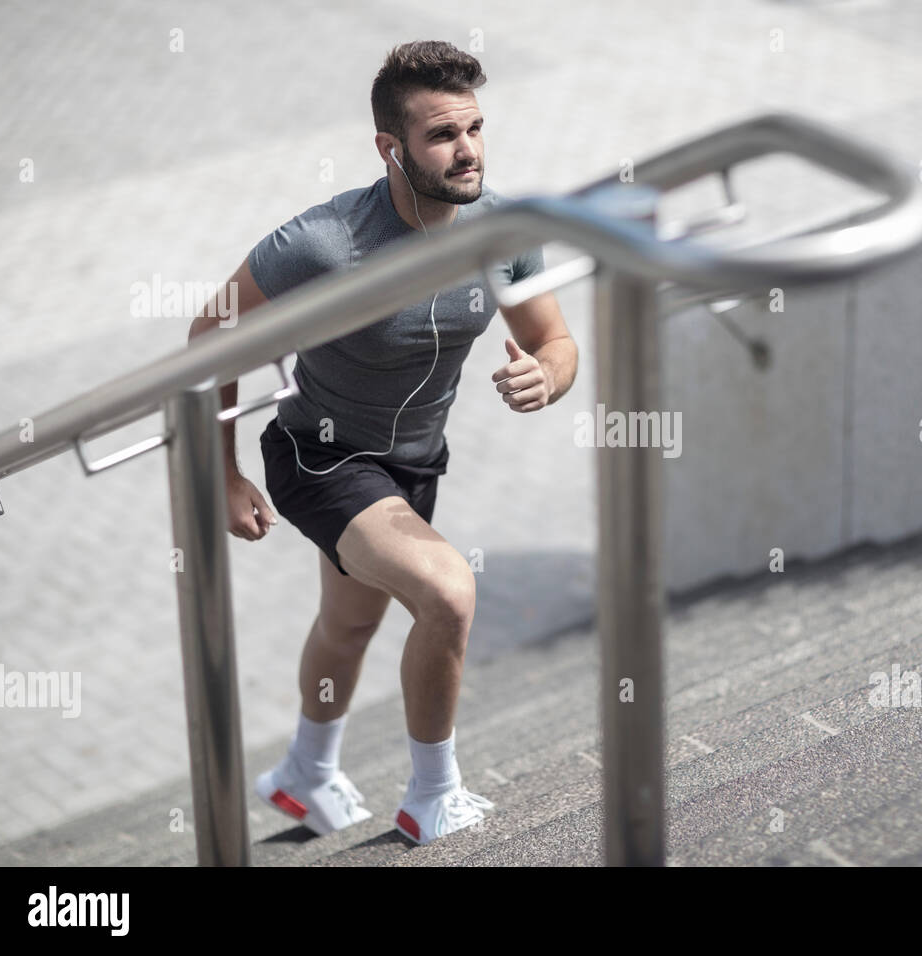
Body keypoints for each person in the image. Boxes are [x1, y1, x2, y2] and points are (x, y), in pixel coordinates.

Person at [185, 40, 577, 845]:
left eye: (474, 128)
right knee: (448, 592)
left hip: (412, 468)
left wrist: (549, 377)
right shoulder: (328, 241)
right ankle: (432, 795)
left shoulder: (502, 229)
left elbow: (555, 340)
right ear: (389, 148)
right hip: (321, 458)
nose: (467, 150)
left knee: (350, 626)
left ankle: (305, 770)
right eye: (442, 135)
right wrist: (218, 474)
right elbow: (208, 333)